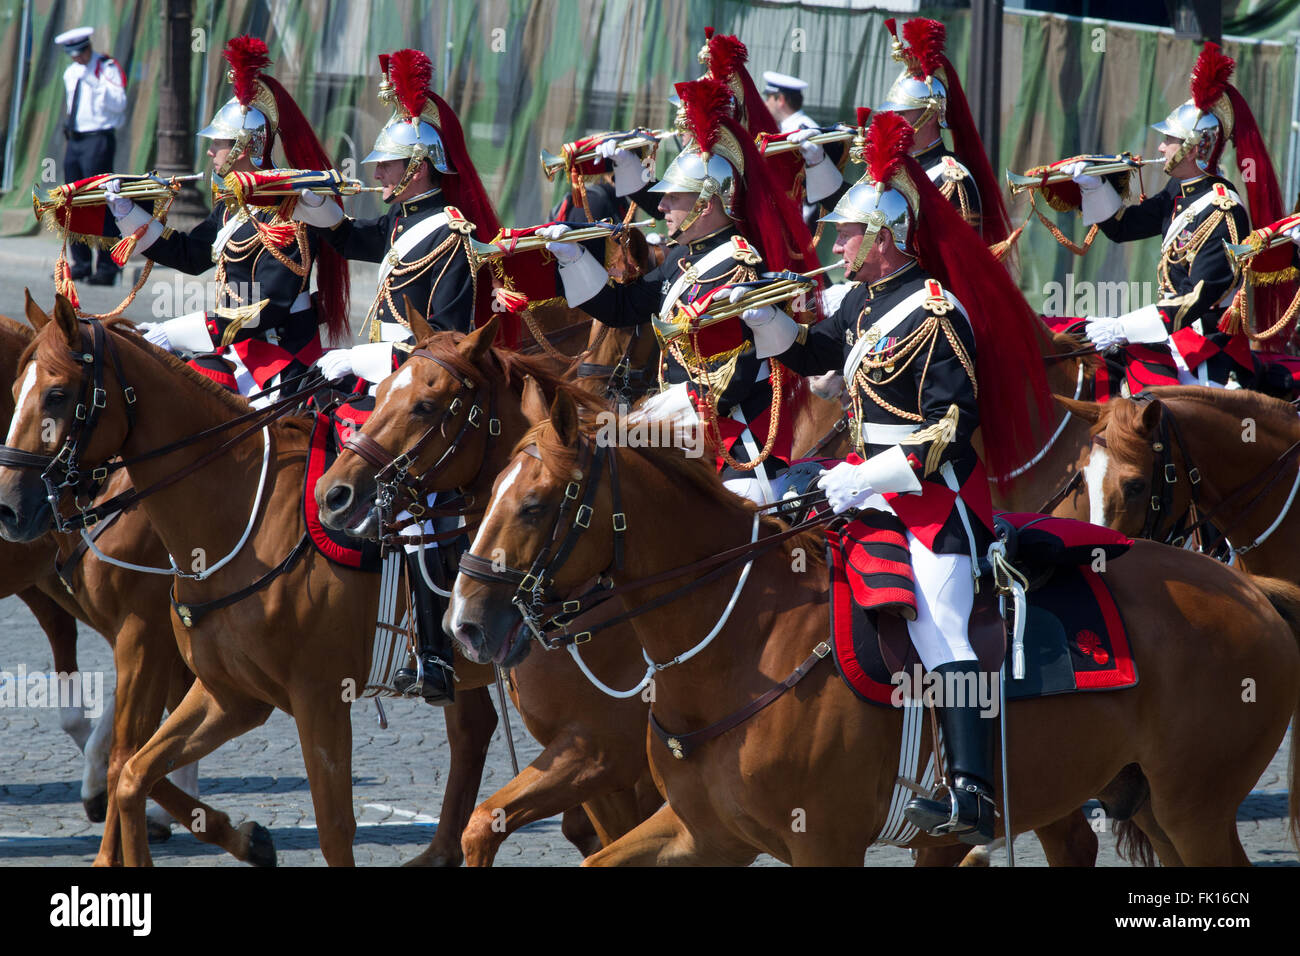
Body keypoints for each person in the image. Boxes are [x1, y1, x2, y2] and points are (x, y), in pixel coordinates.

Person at [739, 111, 1049, 844]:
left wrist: (862, 477)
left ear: (882, 240)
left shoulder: (937, 314)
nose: (834, 244)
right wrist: (757, 319)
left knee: (943, 631)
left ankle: (971, 790)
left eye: (845, 235)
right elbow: (816, 356)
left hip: (933, 497)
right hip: (868, 481)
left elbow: (947, 430)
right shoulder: (862, 300)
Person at [294, 49, 541, 705]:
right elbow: (357, 239)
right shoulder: (407, 220)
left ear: (418, 167)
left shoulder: (453, 236)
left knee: (422, 514)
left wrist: (362, 358)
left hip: (432, 389)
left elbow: (449, 341)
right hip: (390, 377)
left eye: (386, 165)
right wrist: (318, 211)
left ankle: (433, 654)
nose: (376, 174)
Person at [542, 76, 821, 505]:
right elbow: (622, 308)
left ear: (706, 205)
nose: (663, 208)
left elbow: (734, 381)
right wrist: (573, 257)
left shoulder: (741, 267)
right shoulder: (680, 259)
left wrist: (648, 418)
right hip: (687, 433)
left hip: (737, 449)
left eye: (673, 199)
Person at [106, 36, 348, 401]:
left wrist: (175, 331)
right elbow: (191, 255)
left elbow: (265, 309)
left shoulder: (290, 211)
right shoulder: (233, 204)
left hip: (279, 361)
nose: (210, 150)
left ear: (244, 147)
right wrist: (127, 213)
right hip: (237, 351)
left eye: (218, 142)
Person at [1073, 42, 1286, 391]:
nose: (1160, 147)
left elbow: (1196, 299)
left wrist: (1122, 327)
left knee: (1149, 415)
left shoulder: (1223, 211)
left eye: (1169, 139)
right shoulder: (1179, 191)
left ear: (1196, 147)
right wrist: (1092, 185)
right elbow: (1123, 227)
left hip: (1204, 351)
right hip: (1171, 334)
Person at [873, 17, 1012, 249]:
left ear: (931, 114)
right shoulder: (892, 169)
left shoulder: (952, 180)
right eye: (892, 114)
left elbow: (957, 258)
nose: (893, 122)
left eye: (903, 114)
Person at [56, 27, 126, 285]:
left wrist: (97, 83)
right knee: (72, 202)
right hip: (75, 140)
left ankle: (107, 267)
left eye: (81, 53)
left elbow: (119, 104)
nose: (79, 59)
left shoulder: (106, 68)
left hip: (98, 139)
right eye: (73, 55)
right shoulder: (71, 72)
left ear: (88, 48)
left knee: (101, 199)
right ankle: (82, 262)